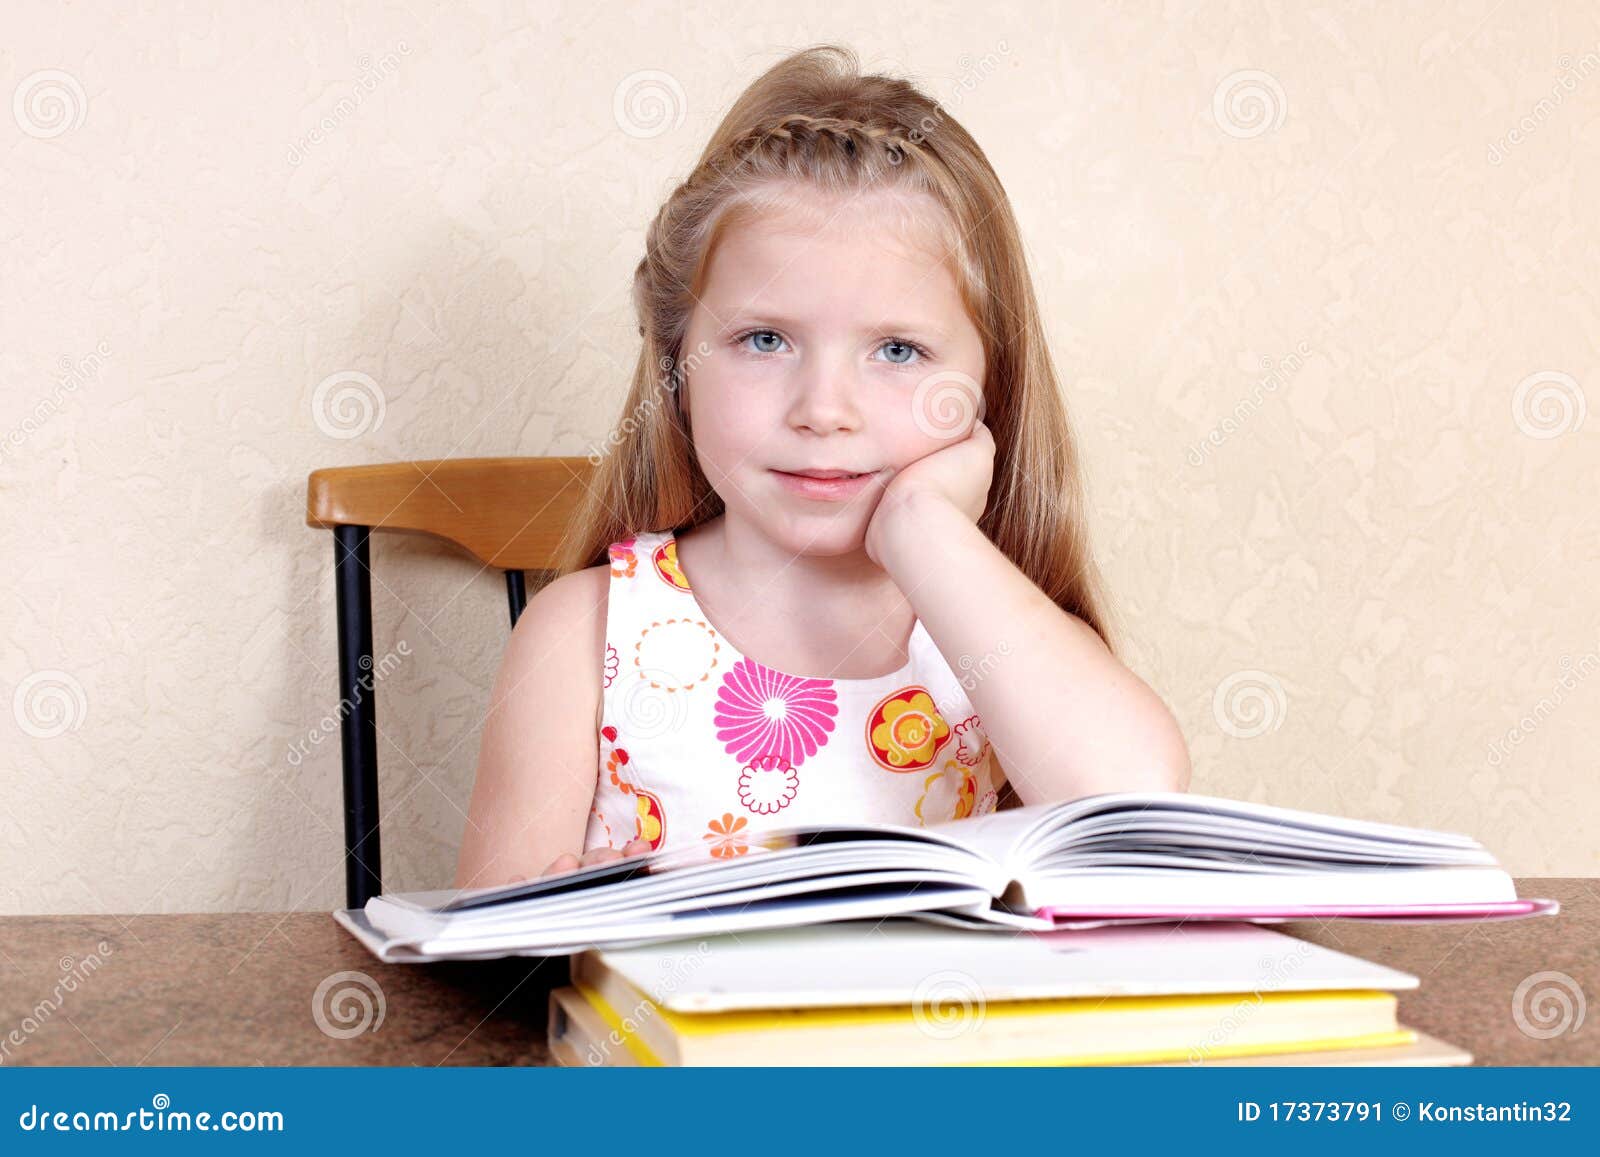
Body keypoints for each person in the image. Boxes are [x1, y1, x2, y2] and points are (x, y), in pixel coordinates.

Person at [454, 44, 1189, 891]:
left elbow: (1137, 810)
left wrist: (924, 531)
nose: (823, 408)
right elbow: (488, 974)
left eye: (899, 350)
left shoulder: (996, 630)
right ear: (675, 363)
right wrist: (591, 926)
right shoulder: (583, 635)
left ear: (991, 382)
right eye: (764, 339)